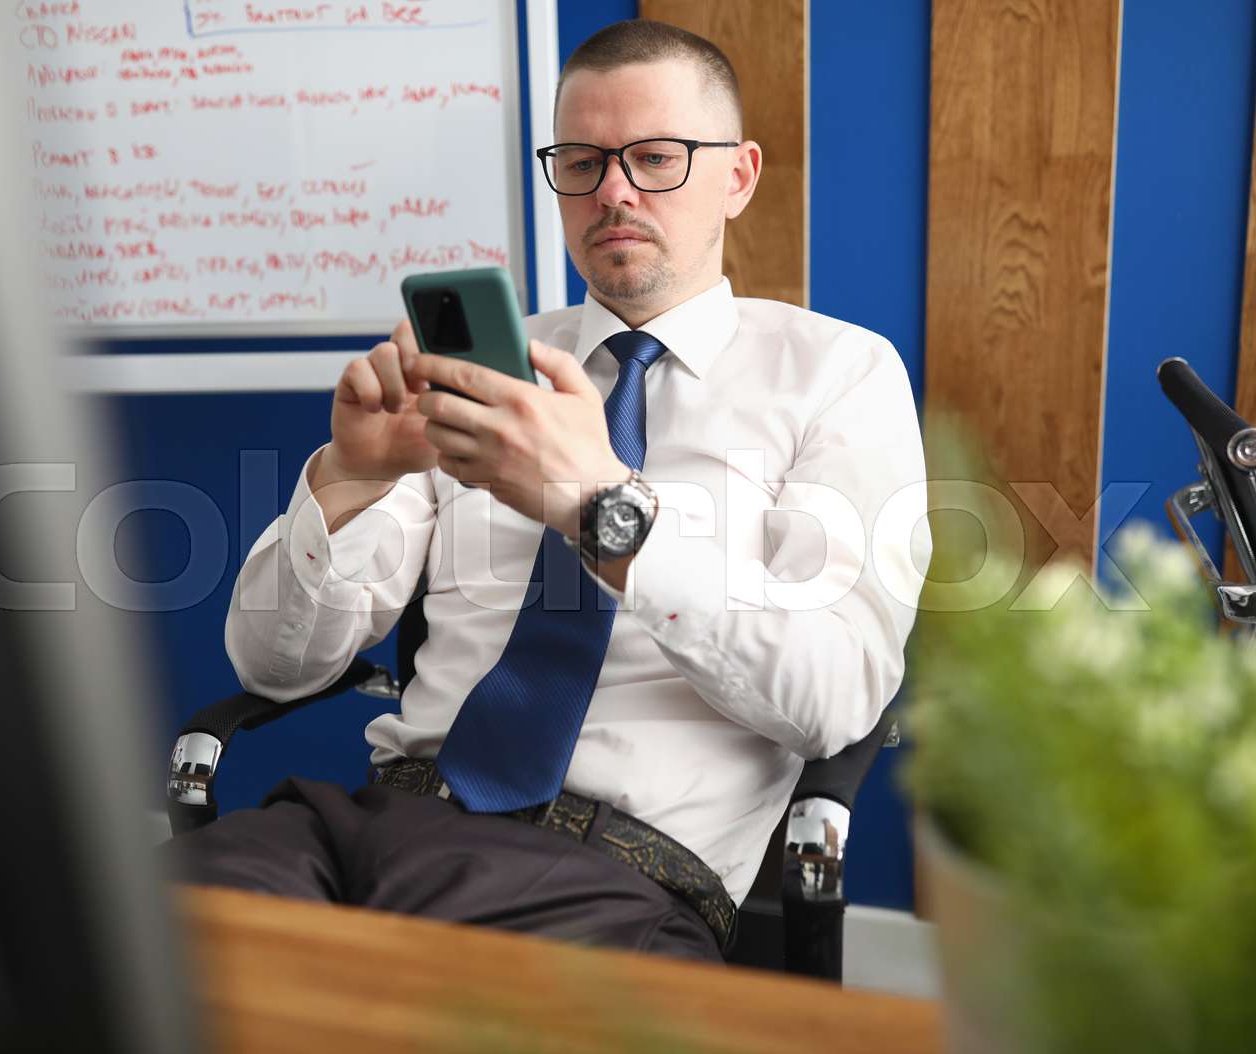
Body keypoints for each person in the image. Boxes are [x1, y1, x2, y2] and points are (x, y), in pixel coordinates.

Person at [167, 18, 929, 963]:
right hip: (369, 827)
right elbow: (271, 667)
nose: (613, 191)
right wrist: (353, 480)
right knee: (127, 964)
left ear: (738, 175)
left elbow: (838, 692)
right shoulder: (490, 363)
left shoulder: (839, 374)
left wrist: (595, 504)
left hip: (617, 878)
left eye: (655, 157)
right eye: (581, 160)